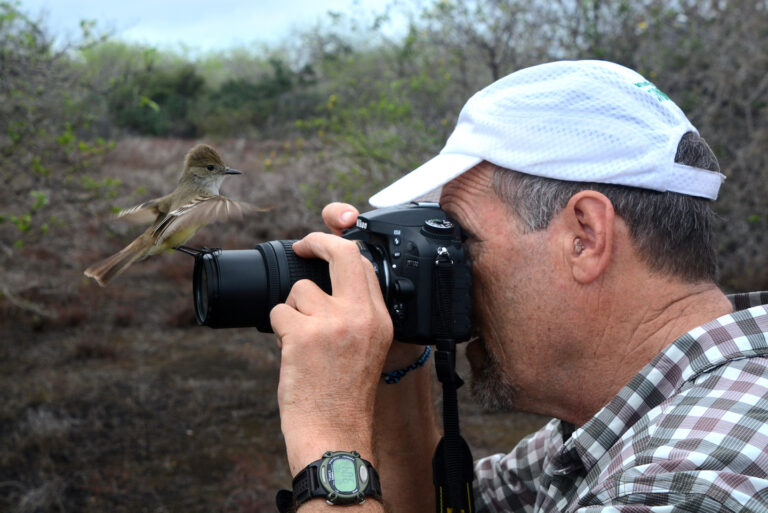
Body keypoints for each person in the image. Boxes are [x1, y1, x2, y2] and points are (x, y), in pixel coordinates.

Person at [269, 60, 768, 512]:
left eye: (461, 238)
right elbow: (444, 508)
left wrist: (327, 437)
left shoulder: (697, 475)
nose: (450, 269)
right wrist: (399, 357)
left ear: (586, 237)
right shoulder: (618, 419)